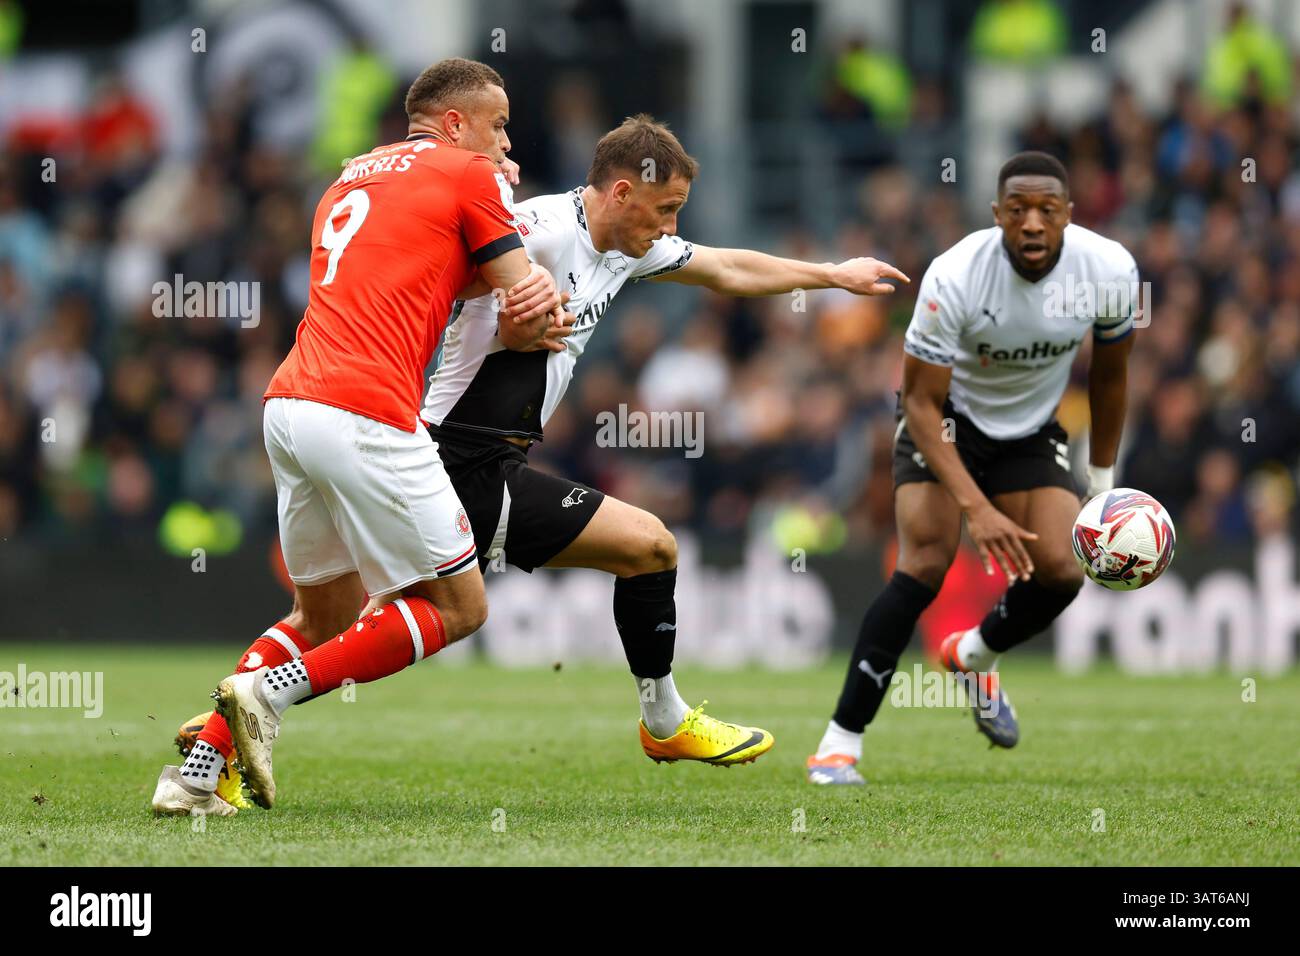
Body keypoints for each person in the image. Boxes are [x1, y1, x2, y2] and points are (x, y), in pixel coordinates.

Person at [418, 114, 909, 766]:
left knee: (643, 549)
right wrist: (502, 313)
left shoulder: (629, 248)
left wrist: (832, 275)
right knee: (639, 549)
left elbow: (728, 267)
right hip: (452, 459)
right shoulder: (537, 230)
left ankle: (246, 710)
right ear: (621, 193)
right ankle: (665, 721)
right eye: (665, 209)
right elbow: (439, 271)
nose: (671, 227)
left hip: (486, 461)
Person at [152, 57, 567, 815]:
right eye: (498, 125)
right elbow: (521, 292)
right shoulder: (468, 173)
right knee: (461, 607)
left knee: (323, 616)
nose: (504, 138)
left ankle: (192, 778)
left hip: (289, 405)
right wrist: (539, 281)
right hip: (366, 411)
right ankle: (266, 694)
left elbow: (436, 269)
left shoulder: (347, 181)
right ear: (454, 123)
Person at [806, 151, 1137, 785]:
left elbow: (1111, 379)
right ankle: (839, 743)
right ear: (997, 216)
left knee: (1065, 570)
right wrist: (977, 510)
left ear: (1070, 215)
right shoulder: (955, 276)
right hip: (946, 427)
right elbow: (923, 406)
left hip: (1031, 435)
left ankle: (973, 654)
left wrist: (1102, 485)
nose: (1033, 223)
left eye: (1048, 210)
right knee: (924, 564)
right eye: (1019, 211)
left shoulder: (1110, 269)